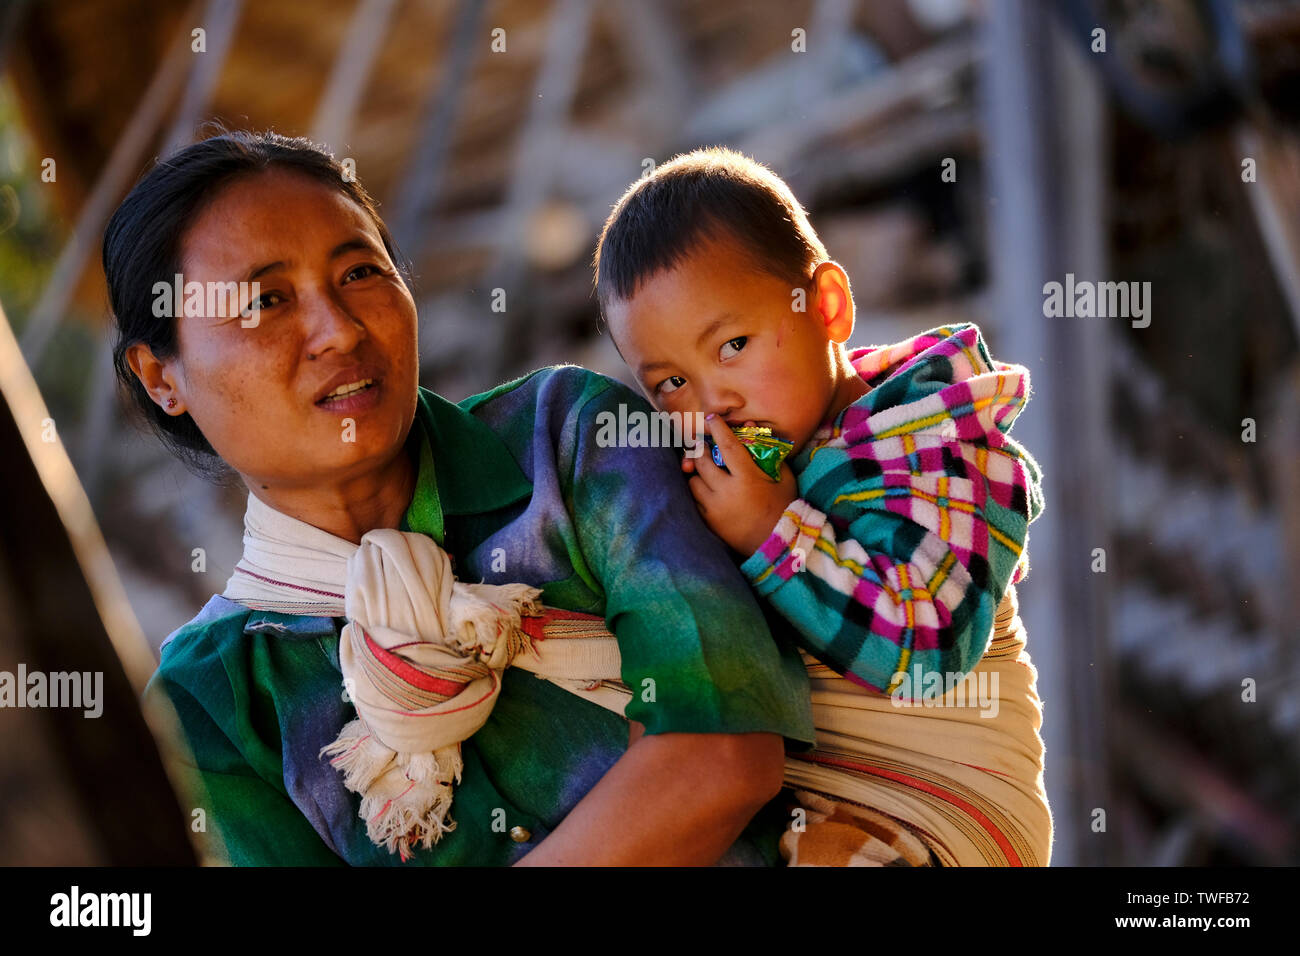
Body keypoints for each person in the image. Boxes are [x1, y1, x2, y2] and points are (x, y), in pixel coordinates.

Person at [108, 130, 816, 866]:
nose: (339, 331)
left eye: (359, 273)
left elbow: (724, 755)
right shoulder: (213, 701)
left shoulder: (568, 439)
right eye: (266, 300)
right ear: (162, 376)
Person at [591, 146, 1054, 866]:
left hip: (949, 820)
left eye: (734, 345)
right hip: (836, 813)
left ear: (828, 307)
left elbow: (922, 649)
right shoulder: (740, 468)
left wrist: (777, 535)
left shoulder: (935, 437)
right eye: (671, 385)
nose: (715, 402)